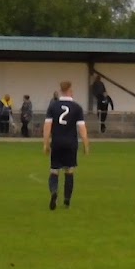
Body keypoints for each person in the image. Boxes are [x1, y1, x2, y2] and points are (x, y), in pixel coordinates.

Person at [43, 81, 91, 210]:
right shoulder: (77, 107)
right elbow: (82, 128)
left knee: (54, 170)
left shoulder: (53, 106)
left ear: (60, 91)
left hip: (57, 142)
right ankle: (67, 201)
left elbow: (47, 126)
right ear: (70, 90)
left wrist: (46, 143)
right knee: (69, 171)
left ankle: (54, 192)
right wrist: (86, 143)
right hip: (71, 143)